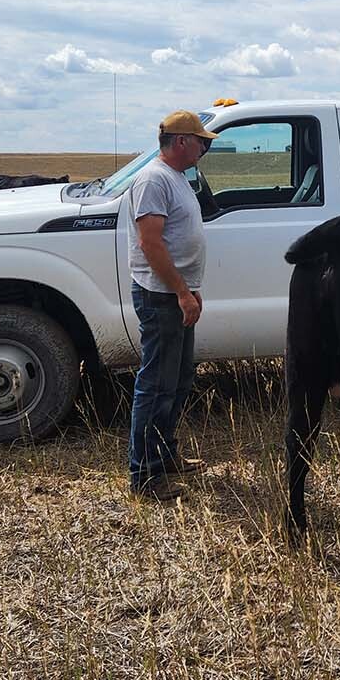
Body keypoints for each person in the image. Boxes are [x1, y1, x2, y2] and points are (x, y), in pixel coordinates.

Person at [127, 110, 215, 500]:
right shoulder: (152, 179)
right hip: (161, 296)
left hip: (177, 294)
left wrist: (189, 290)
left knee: (177, 381)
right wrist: (181, 291)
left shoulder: (175, 178)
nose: (204, 147)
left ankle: (163, 456)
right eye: (201, 141)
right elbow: (150, 243)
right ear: (181, 141)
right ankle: (145, 476)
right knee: (156, 385)